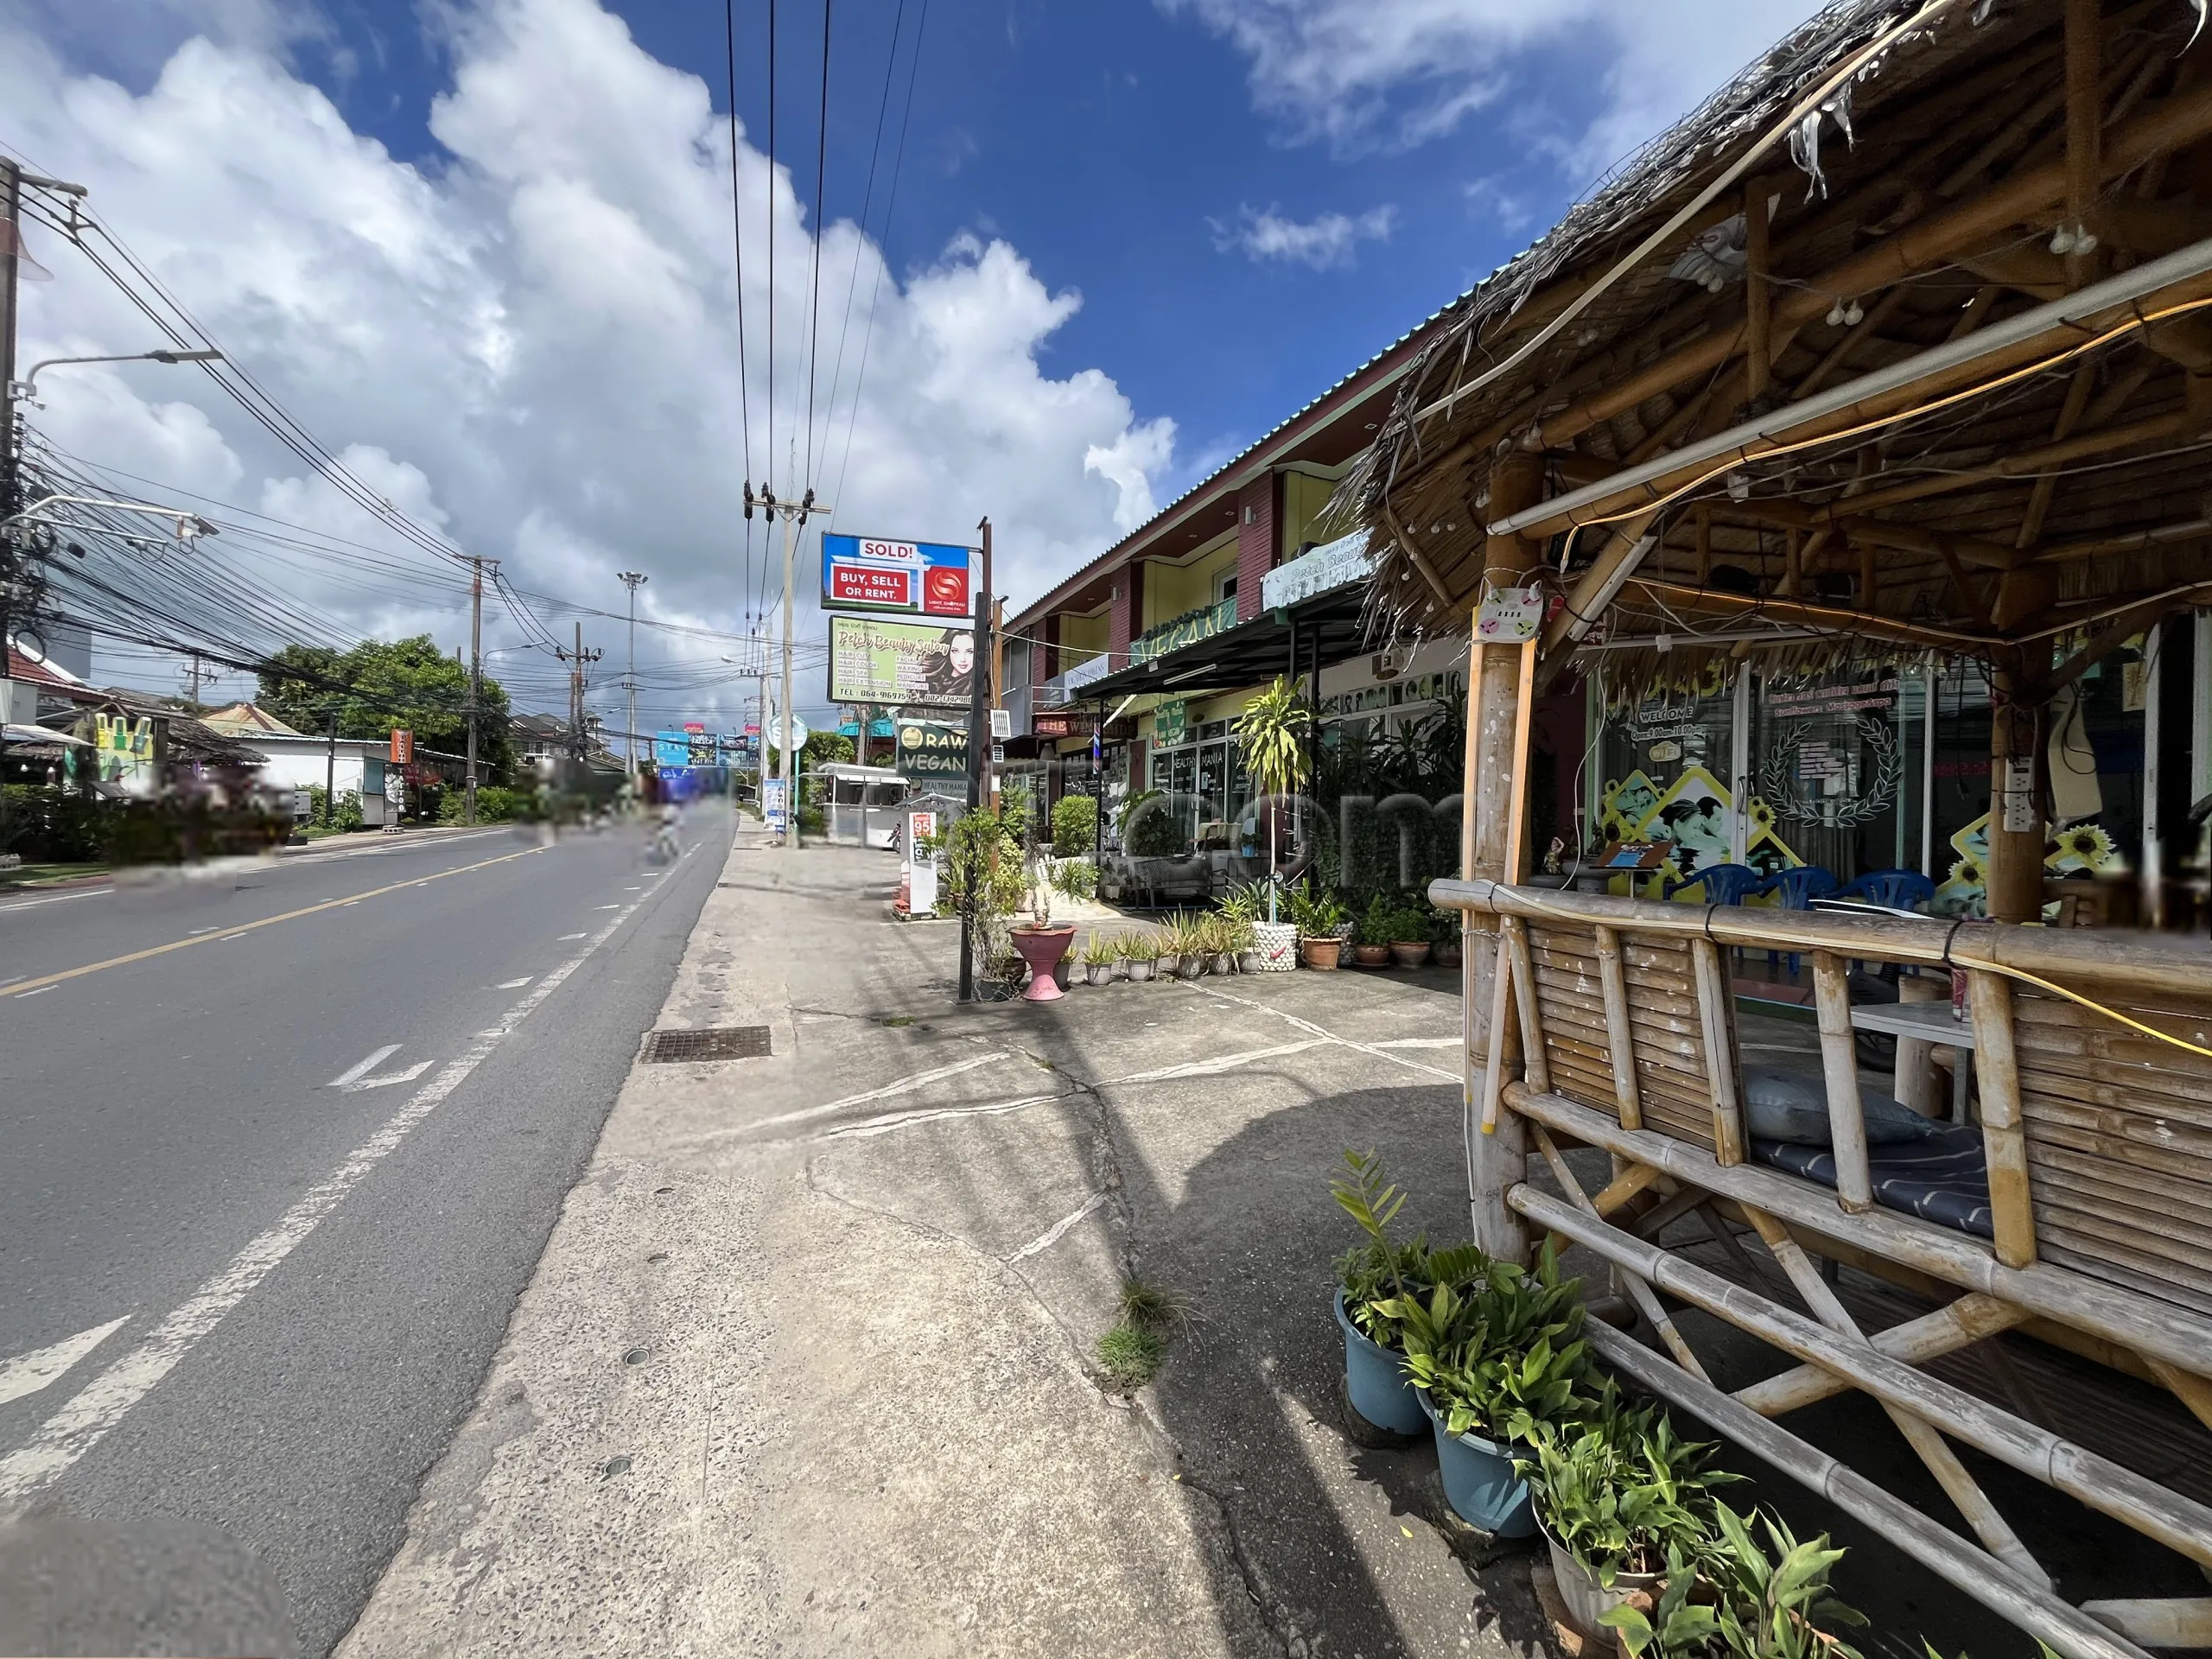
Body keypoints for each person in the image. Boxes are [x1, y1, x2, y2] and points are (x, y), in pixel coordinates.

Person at [920, 630, 975, 702]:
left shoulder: (975, 685)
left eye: (970, 652)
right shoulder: (935, 677)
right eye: (955, 651)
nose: (962, 659)